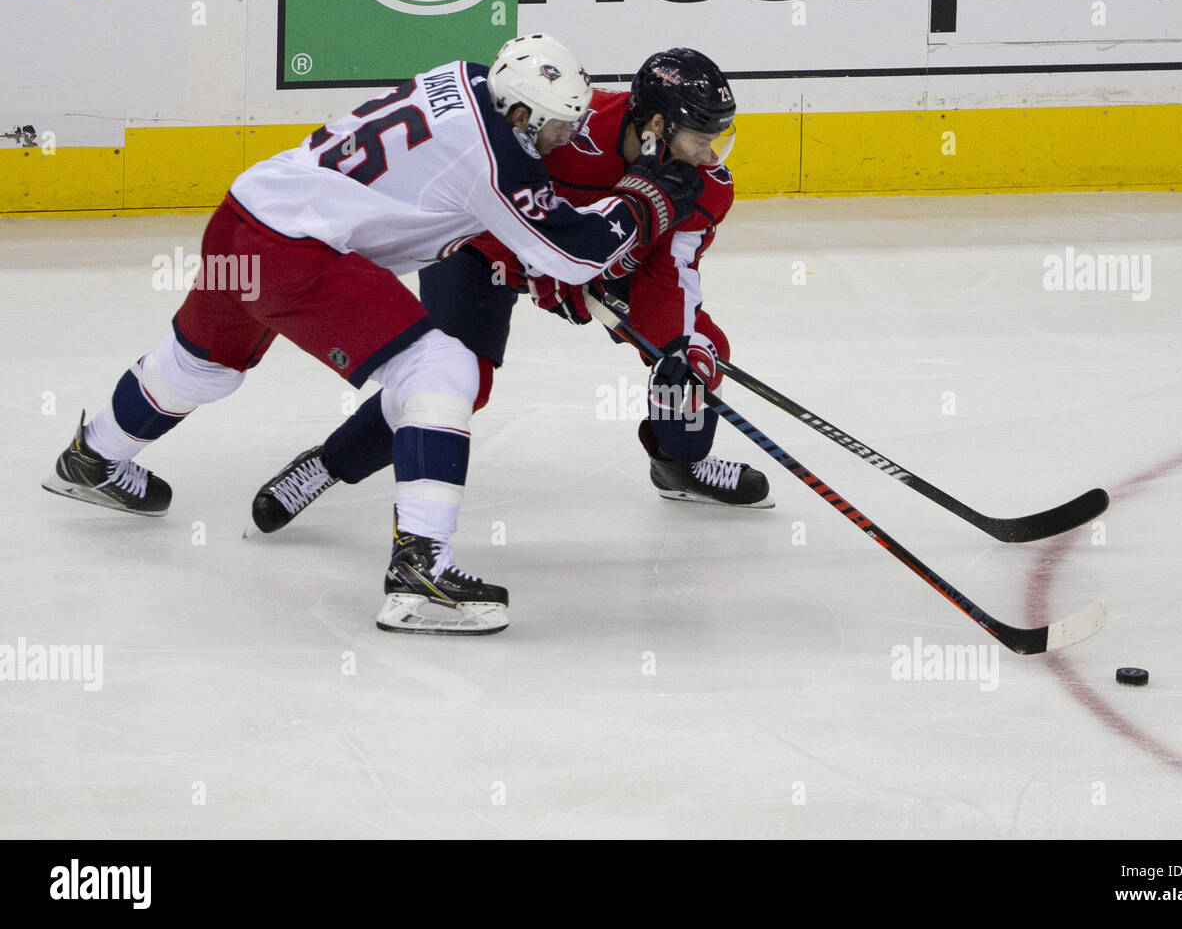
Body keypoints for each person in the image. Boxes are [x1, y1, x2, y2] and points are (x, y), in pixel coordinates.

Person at [41, 34, 704, 636]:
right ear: (523, 114)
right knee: (444, 372)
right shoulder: (499, 156)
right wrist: (650, 197)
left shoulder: (469, 77)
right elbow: (572, 254)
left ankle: (92, 456)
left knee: (201, 366)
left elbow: (493, 211)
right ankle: (420, 575)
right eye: (559, 124)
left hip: (247, 210)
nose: (567, 137)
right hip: (298, 252)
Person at [249, 48, 771, 562]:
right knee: (456, 382)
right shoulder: (568, 129)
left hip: (595, 255)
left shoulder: (707, 187)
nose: (710, 155)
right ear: (658, 123)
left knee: (696, 356)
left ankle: (679, 464)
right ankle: (327, 465)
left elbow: (670, 274)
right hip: (479, 248)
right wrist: (542, 269)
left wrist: (676, 352)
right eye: (702, 139)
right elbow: (483, 200)